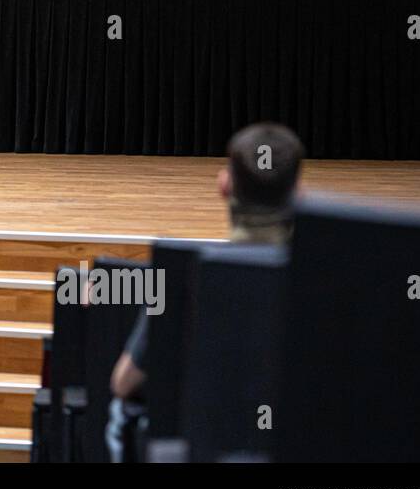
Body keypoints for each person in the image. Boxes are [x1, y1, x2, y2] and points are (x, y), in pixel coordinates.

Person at [106, 122, 305, 458]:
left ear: (224, 185)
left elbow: (124, 382)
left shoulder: (181, 275)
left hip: (197, 448)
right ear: (300, 193)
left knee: (118, 414)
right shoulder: (327, 284)